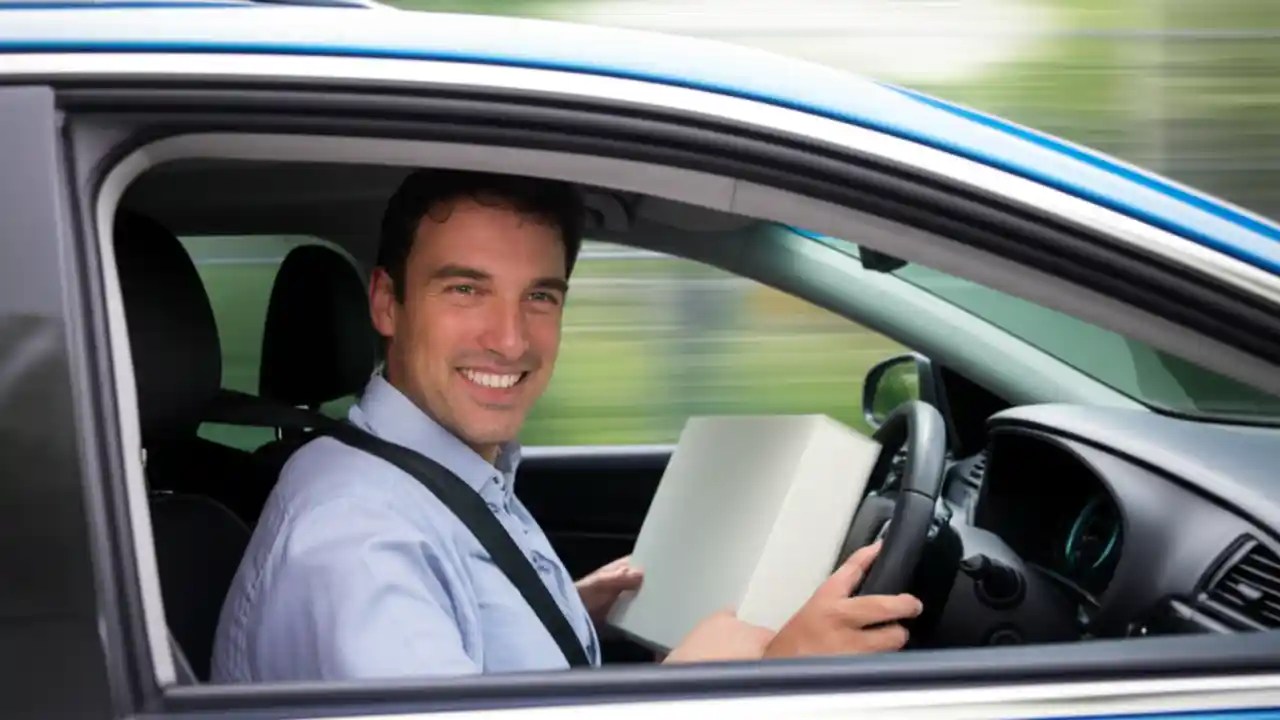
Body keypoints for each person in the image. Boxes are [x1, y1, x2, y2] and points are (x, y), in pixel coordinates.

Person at [210, 169, 923, 682]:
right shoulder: (354, 544)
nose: (511, 340)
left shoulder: (420, 470)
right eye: (466, 289)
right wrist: (759, 676)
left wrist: (562, 608)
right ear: (388, 304)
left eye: (540, 297)